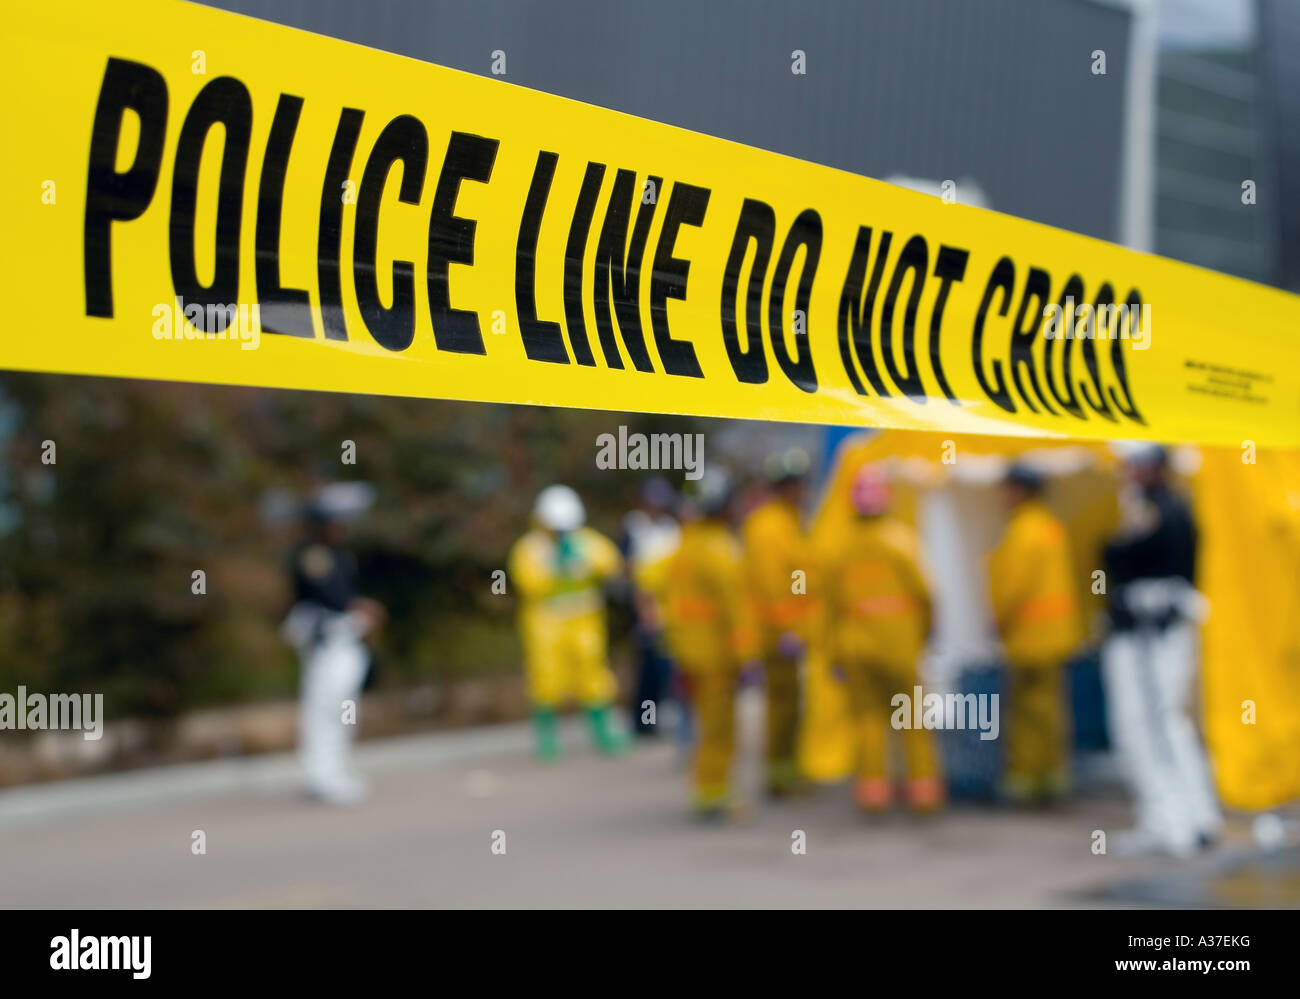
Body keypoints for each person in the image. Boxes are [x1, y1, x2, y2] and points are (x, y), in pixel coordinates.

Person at [1102, 444, 1222, 857]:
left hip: (1151, 634)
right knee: (1167, 724)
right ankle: (1190, 816)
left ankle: (1174, 821)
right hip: (1153, 631)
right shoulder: (1162, 508)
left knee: (1150, 724)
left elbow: (1125, 558)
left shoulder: (1163, 511)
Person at [821, 466, 941, 812]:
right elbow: (927, 594)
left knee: (868, 721)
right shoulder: (902, 540)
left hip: (855, 649)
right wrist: (926, 635)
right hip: (900, 648)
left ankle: (873, 796)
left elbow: (829, 609)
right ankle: (923, 795)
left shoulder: (840, 548)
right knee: (912, 720)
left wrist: (833, 655)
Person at [646, 468, 756, 818]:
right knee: (720, 730)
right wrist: (747, 656)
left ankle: (707, 792)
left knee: (701, 726)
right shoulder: (722, 549)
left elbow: (648, 577)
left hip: (686, 652)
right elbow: (736, 610)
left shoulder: (683, 544)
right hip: (716, 656)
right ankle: (714, 796)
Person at [281, 484, 386, 806]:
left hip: (342, 642)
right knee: (329, 711)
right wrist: (360, 610)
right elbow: (334, 597)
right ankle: (324, 776)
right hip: (327, 644)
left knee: (337, 711)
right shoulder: (312, 554)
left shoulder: (338, 553)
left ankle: (330, 772)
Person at [508, 484, 628, 760]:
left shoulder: (585, 541)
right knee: (546, 679)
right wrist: (555, 564)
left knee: (594, 675)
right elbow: (528, 582)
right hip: (546, 625)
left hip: (585, 622)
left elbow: (611, 563)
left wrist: (582, 558)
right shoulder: (531, 548)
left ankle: (602, 732)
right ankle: (547, 739)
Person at [988, 464, 1083, 805]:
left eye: (1006, 489)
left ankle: (1026, 780)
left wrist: (997, 618)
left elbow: (1014, 585)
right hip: (1056, 636)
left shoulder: (1022, 531)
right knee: (1050, 711)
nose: (1001, 497)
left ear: (1019, 491)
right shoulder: (1051, 527)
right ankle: (1053, 777)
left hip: (1028, 636)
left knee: (1026, 713)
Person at [743, 447, 819, 796]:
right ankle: (779, 777)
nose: (803, 491)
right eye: (797, 485)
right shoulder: (768, 526)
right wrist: (787, 628)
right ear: (784, 486)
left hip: (791, 630)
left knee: (792, 705)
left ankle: (789, 770)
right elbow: (773, 584)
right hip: (776, 633)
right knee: (782, 707)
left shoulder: (789, 521)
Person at [616, 477, 681, 738]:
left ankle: (667, 722)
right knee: (647, 669)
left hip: (669, 605)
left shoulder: (670, 527)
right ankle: (644, 723)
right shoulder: (632, 527)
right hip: (642, 605)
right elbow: (625, 568)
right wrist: (643, 606)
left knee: (669, 666)